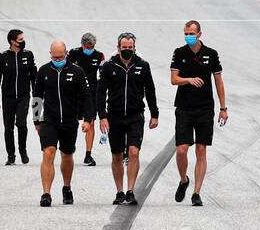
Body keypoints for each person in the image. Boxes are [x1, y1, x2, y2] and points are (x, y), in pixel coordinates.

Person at [97, 32, 159, 205]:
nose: (127, 50)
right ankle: (119, 192)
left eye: (130, 47)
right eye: (124, 47)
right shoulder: (108, 66)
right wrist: (102, 116)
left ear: (134, 48)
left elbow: (150, 90)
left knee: (133, 152)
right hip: (114, 117)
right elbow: (100, 92)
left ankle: (130, 191)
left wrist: (154, 114)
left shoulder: (142, 66)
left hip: (135, 116)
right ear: (118, 48)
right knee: (117, 155)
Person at [169, 20, 227, 206]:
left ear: (199, 34)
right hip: (184, 108)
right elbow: (173, 79)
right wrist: (188, 80)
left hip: (205, 108)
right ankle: (184, 180)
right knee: (181, 150)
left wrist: (223, 108)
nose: (188, 36)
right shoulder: (179, 52)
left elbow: (218, 81)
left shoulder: (211, 54)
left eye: (192, 33)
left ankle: (196, 192)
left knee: (201, 149)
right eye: (186, 33)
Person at [32, 39, 94, 207]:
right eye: (55, 57)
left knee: (66, 155)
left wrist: (88, 119)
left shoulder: (77, 71)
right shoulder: (43, 71)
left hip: (69, 121)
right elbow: (37, 96)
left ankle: (67, 187)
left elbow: (87, 96)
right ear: (50, 55)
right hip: (49, 121)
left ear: (66, 54)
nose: (58, 59)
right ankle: (46, 193)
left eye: (60, 57)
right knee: (48, 152)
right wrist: (36, 120)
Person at [0, 29, 36, 165]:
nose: (23, 41)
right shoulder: (2, 57)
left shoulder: (28, 55)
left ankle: (23, 150)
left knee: (21, 123)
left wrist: (37, 96)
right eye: (20, 39)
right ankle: (11, 156)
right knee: (8, 127)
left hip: (23, 96)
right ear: (12, 41)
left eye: (23, 39)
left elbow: (34, 77)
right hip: (8, 97)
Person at [68, 33, 106, 167]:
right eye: (87, 46)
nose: (90, 48)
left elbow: (103, 74)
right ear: (82, 45)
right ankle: (70, 147)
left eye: (92, 46)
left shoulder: (99, 56)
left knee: (90, 123)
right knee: (71, 123)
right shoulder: (73, 53)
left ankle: (88, 155)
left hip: (91, 94)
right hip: (74, 94)